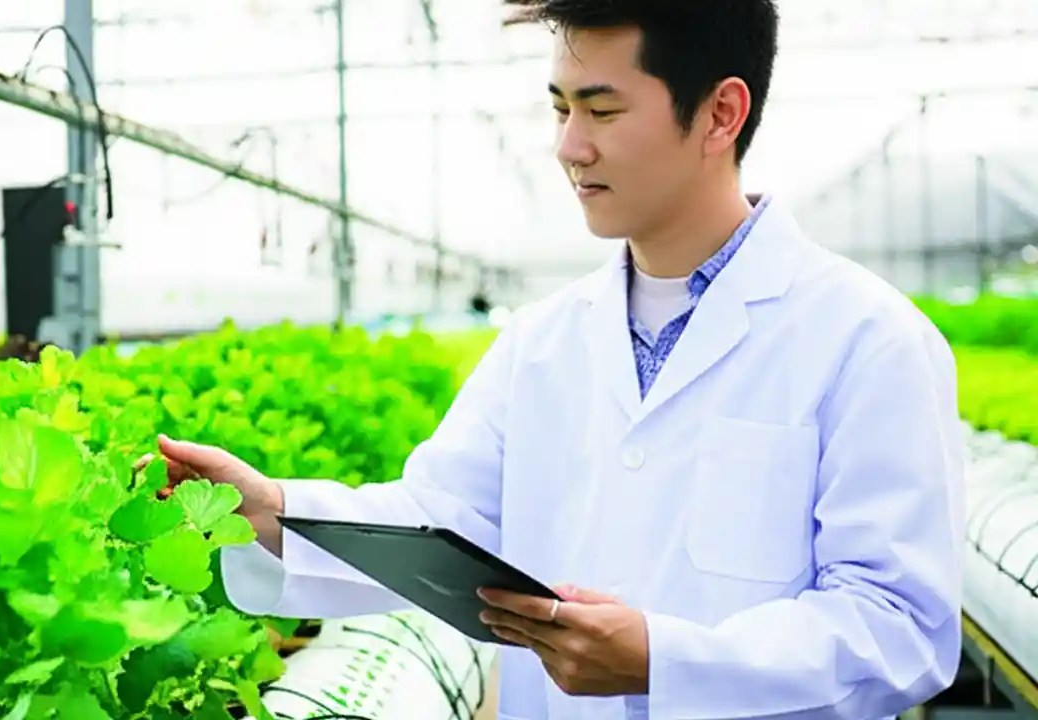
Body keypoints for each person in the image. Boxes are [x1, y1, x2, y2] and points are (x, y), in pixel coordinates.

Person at [153, 1, 967, 717]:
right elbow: (442, 523)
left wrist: (664, 660)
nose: (569, 147)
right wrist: (273, 513)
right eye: (559, 109)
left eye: (602, 111)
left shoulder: (867, 340)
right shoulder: (542, 344)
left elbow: (898, 625)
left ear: (720, 114)